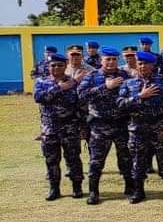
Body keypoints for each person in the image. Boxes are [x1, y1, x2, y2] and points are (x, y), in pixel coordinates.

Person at [117, 52, 163, 204]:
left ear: (153, 65)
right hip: (137, 127)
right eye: (140, 63)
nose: (143, 66)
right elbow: (120, 105)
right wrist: (139, 97)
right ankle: (139, 191)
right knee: (138, 161)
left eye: (146, 64)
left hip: (158, 125)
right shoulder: (128, 83)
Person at [78, 47, 132, 205]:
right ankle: (93, 192)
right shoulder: (92, 76)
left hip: (121, 124)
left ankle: (130, 187)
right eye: (107, 59)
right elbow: (81, 95)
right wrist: (105, 87)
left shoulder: (124, 75)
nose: (111, 62)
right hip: (99, 125)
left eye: (114, 59)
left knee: (126, 158)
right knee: (96, 161)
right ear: (102, 60)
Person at [34, 53, 84, 201]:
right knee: (51, 160)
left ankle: (77, 187)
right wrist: (58, 88)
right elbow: (38, 98)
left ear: (65, 66)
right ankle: (54, 189)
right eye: (53, 65)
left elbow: (79, 105)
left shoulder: (74, 83)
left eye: (60, 65)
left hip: (70, 127)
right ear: (48, 67)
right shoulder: (41, 81)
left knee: (73, 158)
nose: (56, 68)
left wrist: (83, 127)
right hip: (50, 128)